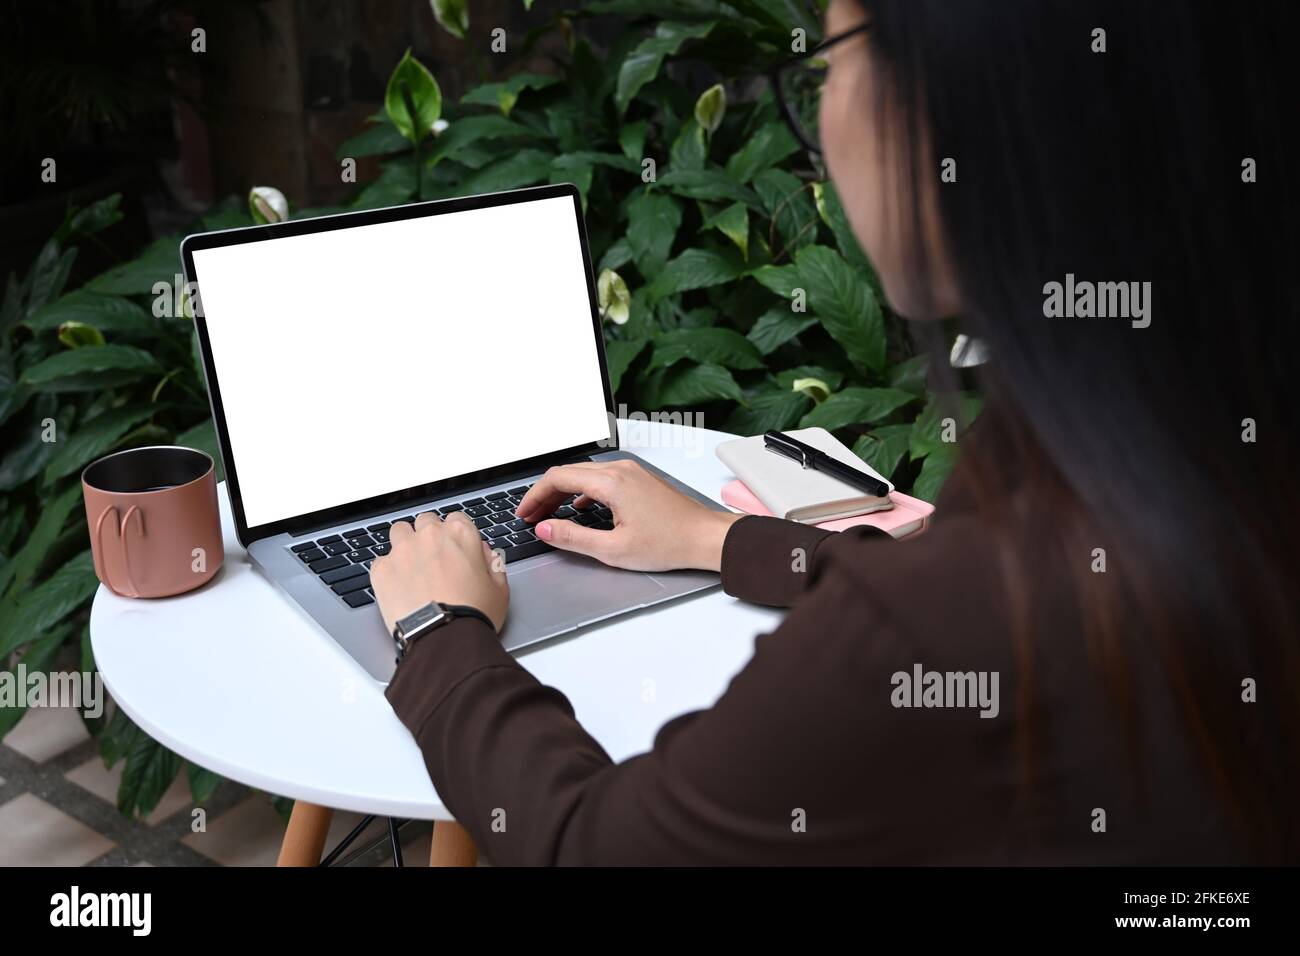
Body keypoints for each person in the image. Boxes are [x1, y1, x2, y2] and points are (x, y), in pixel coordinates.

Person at [370, 0, 1298, 864]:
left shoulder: (968, 605)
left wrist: (440, 628)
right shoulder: (1200, 438)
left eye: (831, 64)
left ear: (958, 102)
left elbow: (593, 841)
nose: (819, 119)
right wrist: (718, 538)